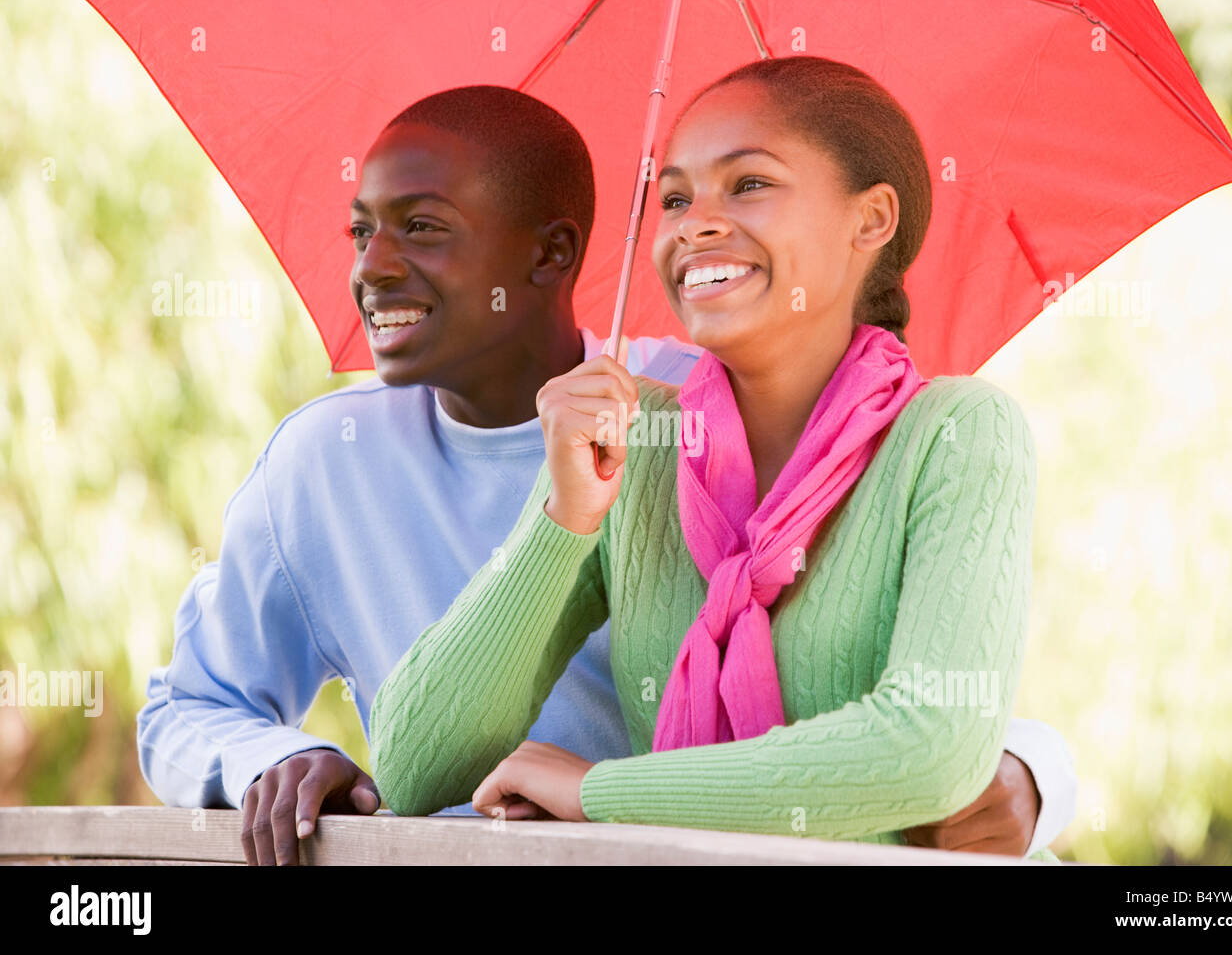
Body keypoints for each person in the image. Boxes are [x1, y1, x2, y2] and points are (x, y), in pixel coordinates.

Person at [139, 83, 1074, 864]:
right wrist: (564, 516)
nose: (698, 225)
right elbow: (419, 766)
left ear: (871, 218)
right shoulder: (639, 431)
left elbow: (933, 733)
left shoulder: (945, 429)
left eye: (748, 184)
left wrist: (601, 792)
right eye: (671, 200)